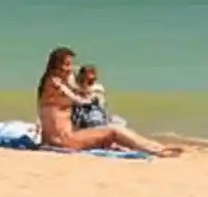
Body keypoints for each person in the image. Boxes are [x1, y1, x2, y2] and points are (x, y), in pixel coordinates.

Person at [37, 46, 181, 156]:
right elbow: (77, 99)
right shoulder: (54, 83)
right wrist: (89, 99)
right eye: (67, 64)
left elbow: (77, 88)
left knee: (112, 129)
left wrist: (81, 80)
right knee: (113, 130)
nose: (69, 69)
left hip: (55, 139)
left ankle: (154, 146)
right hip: (63, 141)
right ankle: (157, 150)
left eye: (71, 64)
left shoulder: (53, 80)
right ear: (55, 66)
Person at [70, 64, 110, 130]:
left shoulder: (98, 88)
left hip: (93, 113)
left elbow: (94, 100)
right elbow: (72, 71)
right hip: (83, 114)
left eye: (90, 80)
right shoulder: (76, 87)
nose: (86, 82)